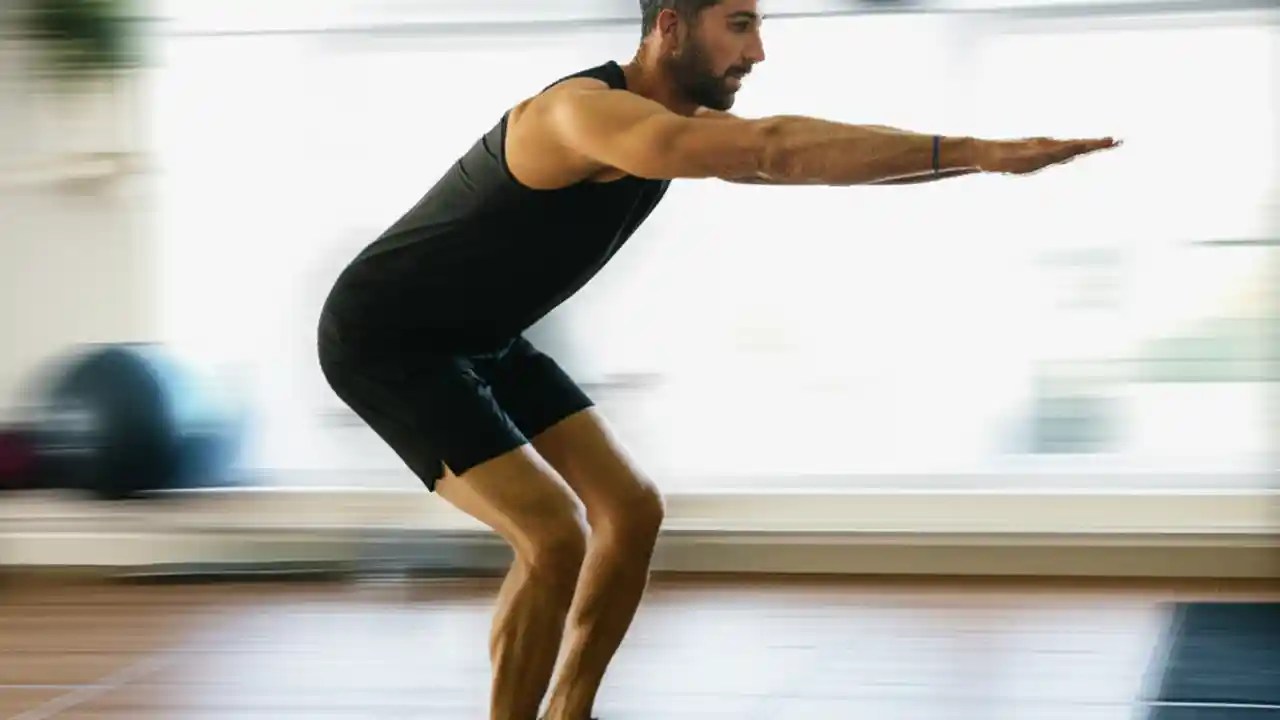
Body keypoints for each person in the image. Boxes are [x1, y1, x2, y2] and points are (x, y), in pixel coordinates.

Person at [316, 1, 1119, 718]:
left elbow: (788, 150)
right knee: (553, 535)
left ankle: (572, 710)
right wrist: (978, 150)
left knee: (631, 511)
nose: (758, 51)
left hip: (484, 332)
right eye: (739, 24)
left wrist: (968, 157)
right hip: (388, 336)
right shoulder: (583, 115)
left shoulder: (664, 125)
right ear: (670, 26)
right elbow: (774, 150)